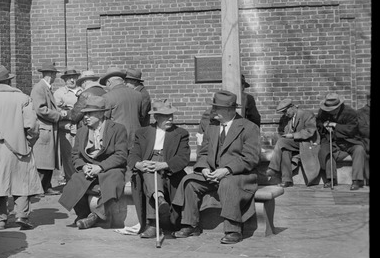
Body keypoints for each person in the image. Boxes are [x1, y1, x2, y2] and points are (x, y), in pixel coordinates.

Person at [173, 90, 260, 245]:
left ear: (229, 110)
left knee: (228, 183)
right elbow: (203, 153)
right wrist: (204, 168)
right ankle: (190, 225)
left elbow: (251, 158)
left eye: (217, 108)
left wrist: (227, 170)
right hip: (213, 174)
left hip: (238, 175)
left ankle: (233, 229)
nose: (213, 111)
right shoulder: (212, 127)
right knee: (189, 182)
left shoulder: (249, 128)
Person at [0, 65, 43, 230]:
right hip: (17, 147)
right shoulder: (22, 98)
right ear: (9, 80)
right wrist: (28, 141)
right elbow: (32, 126)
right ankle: (21, 215)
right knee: (22, 181)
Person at [58, 95, 129, 230]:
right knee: (75, 180)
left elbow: (121, 155)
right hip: (89, 168)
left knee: (113, 182)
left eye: (90, 113)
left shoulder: (118, 129)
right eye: (85, 114)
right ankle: (83, 215)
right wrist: (84, 166)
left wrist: (100, 167)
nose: (86, 117)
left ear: (101, 114)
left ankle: (95, 216)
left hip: (111, 168)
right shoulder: (82, 132)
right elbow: (75, 155)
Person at [128, 100, 190, 239]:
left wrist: (163, 165)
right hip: (148, 167)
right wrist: (138, 164)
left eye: (171, 115)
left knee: (151, 171)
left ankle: (153, 224)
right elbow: (133, 154)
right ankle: (159, 199)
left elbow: (183, 158)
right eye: (165, 116)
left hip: (168, 169)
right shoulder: (142, 132)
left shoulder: (181, 133)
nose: (170, 119)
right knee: (149, 170)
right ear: (156, 117)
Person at [316, 93, 367, 190]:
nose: (330, 112)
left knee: (359, 150)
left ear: (339, 106)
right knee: (326, 151)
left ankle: (357, 181)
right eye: (328, 109)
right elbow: (318, 123)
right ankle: (331, 179)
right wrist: (325, 126)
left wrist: (335, 125)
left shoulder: (350, 112)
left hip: (350, 141)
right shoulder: (322, 112)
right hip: (334, 141)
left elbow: (352, 129)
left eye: (333, 109)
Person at [266, 98, 318, 187]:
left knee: (282, 142)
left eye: (286, 111)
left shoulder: (307, 114)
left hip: (308, 144)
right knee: (285, 150)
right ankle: (287, 181)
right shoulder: (288, 118)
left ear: (293, 107)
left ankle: (273, 168)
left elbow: (310, 131)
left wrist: (293, 135)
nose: (285, 114)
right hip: (296, 144)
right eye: (283, 112)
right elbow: (286, 133)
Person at [85, 68, 145, 141]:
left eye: (106, 84)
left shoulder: (107, 97)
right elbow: (142, 117)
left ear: (109, 82)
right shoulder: (138, 95)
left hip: (118, 138)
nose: (106, 87)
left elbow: (104, 120)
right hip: (136, 137)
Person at [30, 61, 63, 193]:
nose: (55, 76)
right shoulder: (39, 88)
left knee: (48, 159)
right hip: (44, 129)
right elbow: (40, 109)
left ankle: (46, 186)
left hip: (48, 129)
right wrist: (58, 115)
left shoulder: (46, 87)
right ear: (50, 74)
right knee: (43, 161)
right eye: (54, 73)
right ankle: (40, 188)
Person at [54, 68, 83, 184]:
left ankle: (80, 178)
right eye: (69, 78)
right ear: (64, 80)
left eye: (74, 78)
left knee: (80, 154)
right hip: (66, 129)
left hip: (81, 128)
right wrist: (67, 112)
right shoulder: (59, 93)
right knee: (68, 155)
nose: (72, 80)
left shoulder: (82, 91)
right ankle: (70, 179)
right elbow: (55, 111)